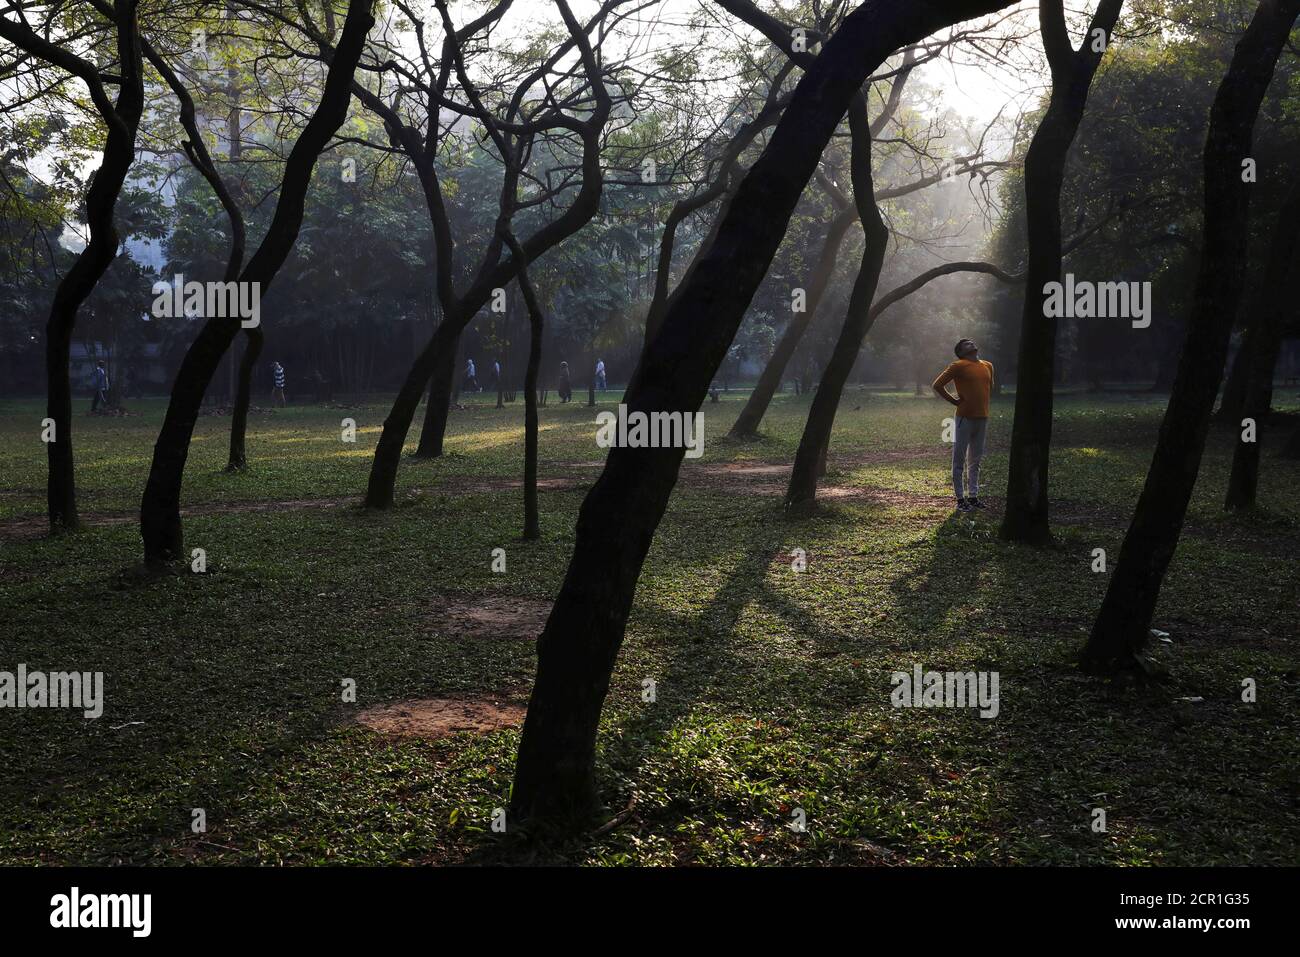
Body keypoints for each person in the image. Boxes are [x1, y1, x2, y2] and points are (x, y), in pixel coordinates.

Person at [932, 338, 993, 513]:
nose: (971, 343)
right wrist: (954, 401)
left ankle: (973, 497)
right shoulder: (958, 365)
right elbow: (937, 385)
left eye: (971, 342)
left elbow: (989, 388)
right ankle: (960, 499)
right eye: (966, 344)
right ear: (961, 352)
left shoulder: (988, 365)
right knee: (959, 459)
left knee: (975, 460)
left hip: (982, 418)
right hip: (963, 419)